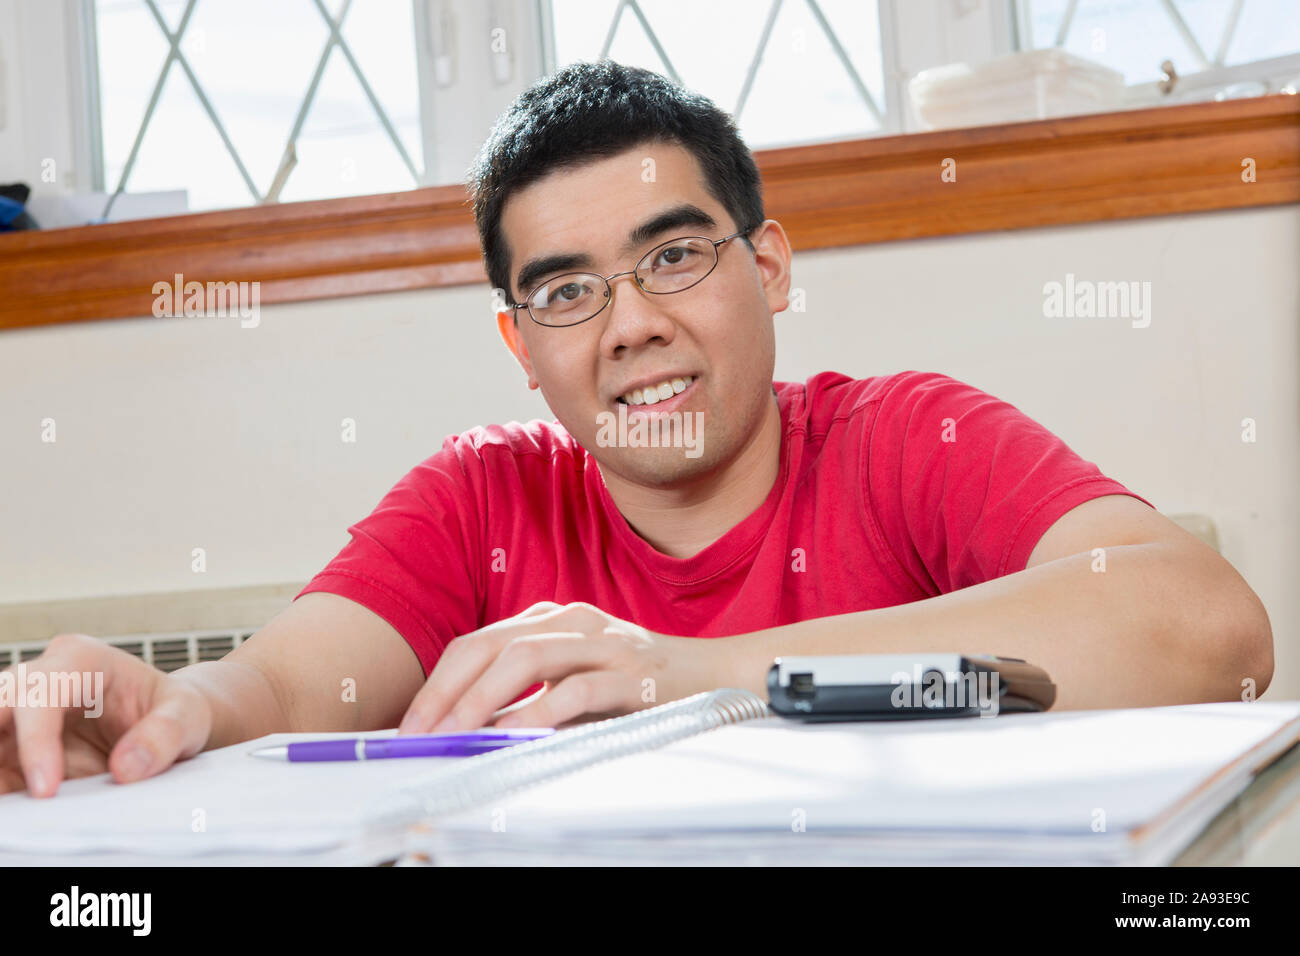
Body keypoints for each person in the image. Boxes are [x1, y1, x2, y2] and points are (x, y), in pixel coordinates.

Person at [1, 61, 1272, 799]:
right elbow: (283, 681)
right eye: (565, 291)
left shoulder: (907, 440)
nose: (629, 325)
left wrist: (686, 675)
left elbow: (1208, 632)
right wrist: (167, 705)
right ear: (521, 346)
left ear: (768, 267)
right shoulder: (479, 499)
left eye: (672, 255)